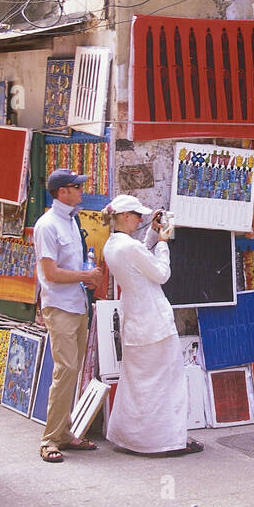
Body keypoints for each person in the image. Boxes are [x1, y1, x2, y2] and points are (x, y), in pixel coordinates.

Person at [103, 194, 201, 456]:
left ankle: (132, 436)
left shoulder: (112, 245)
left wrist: (152, 236)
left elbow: (137, 258)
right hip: (153, 321)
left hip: (135, 322)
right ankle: (164, 440)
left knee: (137, 384)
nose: (140, 220)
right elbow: (161, 273)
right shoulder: (128, 247)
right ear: (125, 216)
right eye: (136, 215)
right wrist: (164, 243)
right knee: (166, 383)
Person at [33, 168, 106, 463]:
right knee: (65, 370)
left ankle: (63, 432)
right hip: (60, 305)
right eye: (76, 187)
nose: (81, 191)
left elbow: (70, 265)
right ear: (63, 191)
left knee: (72, 370)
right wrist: (85, 274)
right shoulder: (47, 225)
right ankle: (50, 439)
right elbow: (50, 273)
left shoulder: (71, 221)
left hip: (75, 302)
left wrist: (86, 277)